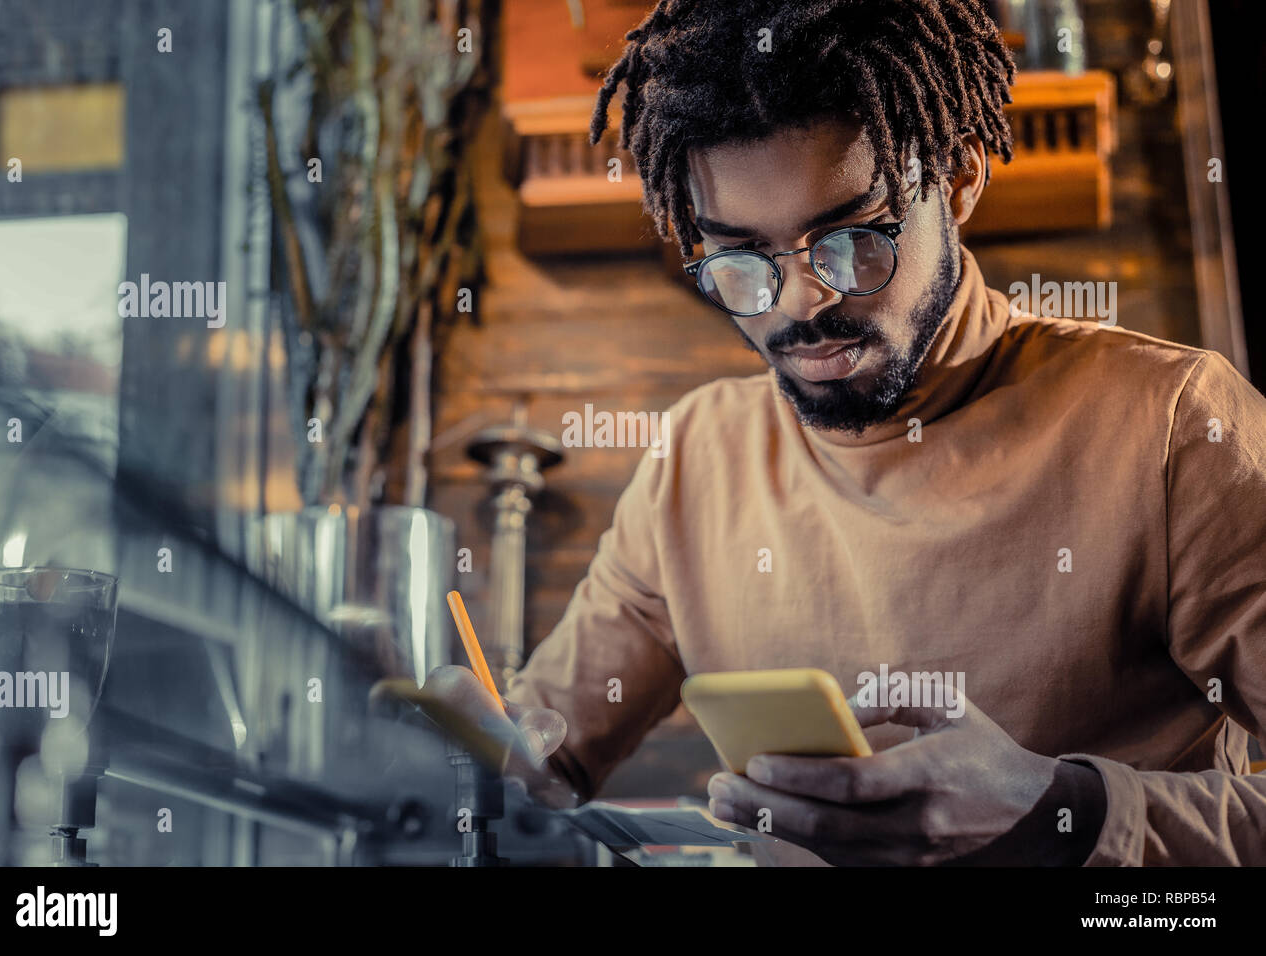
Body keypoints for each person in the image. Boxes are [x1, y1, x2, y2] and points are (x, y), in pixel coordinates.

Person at [425, 0, 1266, 865]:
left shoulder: (1176, 426)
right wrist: (473, 759)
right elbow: (544, 760)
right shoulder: (697, 460)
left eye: (853, 239)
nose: (801, 302)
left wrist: (1068, 813)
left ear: (963, 176)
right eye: (742, 261)